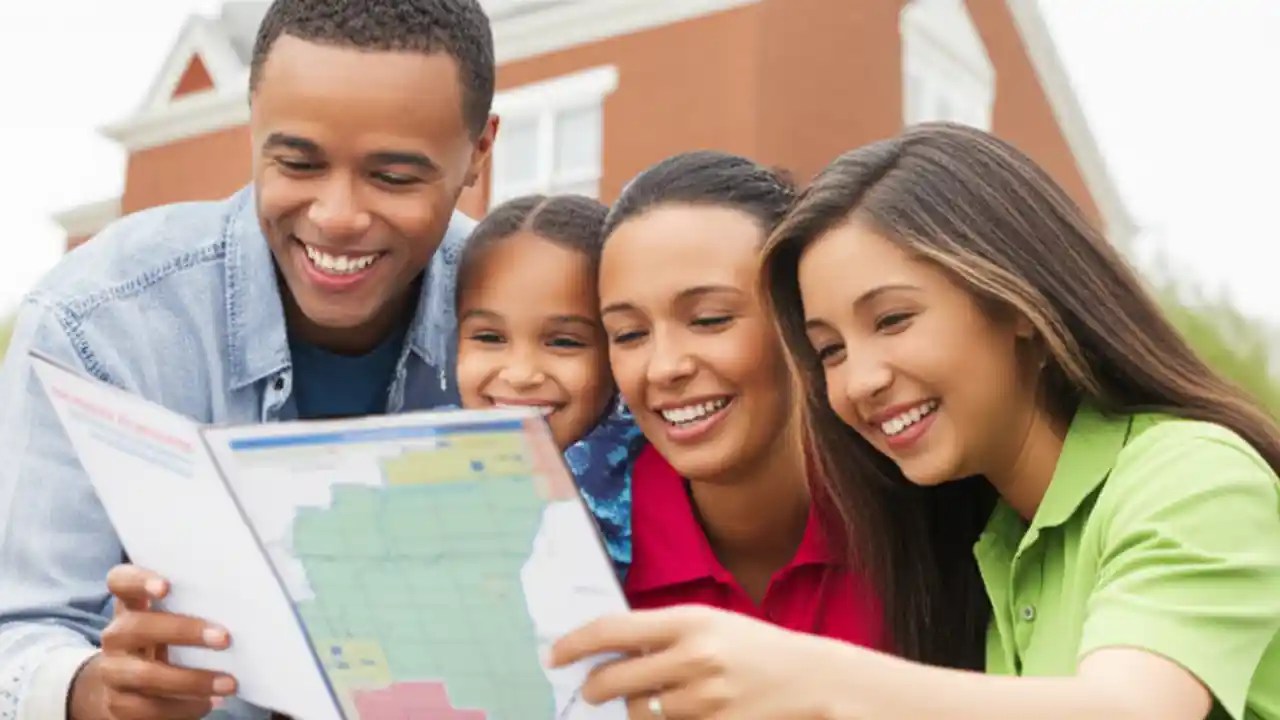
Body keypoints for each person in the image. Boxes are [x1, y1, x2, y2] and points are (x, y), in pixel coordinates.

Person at [0, 3, 634, 719]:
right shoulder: (96, 323)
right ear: (254, 120)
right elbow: (19, 627)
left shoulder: (539, 316)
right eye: (297, 162)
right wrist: (87, 690)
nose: (336, 216)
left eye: (393, 177)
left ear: (479, 153)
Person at [550, 124, 1280, 719]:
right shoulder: (983, 536)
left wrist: (813, 679)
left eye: (893, 319)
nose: (860, 382)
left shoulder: (1192, 474)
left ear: (1016, 303)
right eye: (829, 349)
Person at [596, 152, 885, 670]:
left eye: (709, 319)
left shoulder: (918, 507)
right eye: (629, 334)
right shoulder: (584, 544)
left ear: (799, 319)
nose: (664, 368)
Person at [454, 193, 634, 720]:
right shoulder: (422, 474)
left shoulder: (655, 485)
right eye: (489, 337)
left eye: (563, 342)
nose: (521, 372)